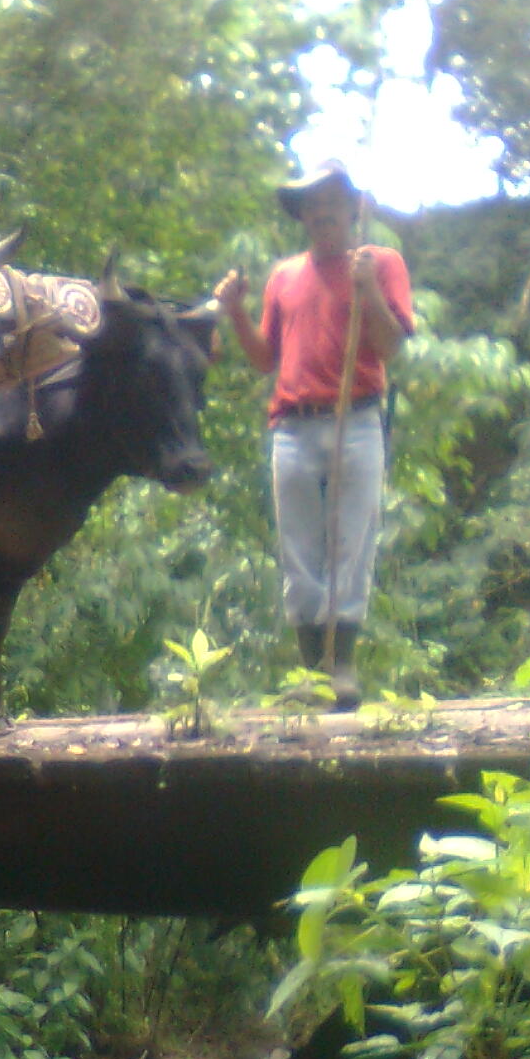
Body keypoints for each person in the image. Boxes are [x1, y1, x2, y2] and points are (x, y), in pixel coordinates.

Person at [213, 160, 414, 709]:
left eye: (331, 203)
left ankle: (341, 665)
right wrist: (233, 312)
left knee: (351, 542)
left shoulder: (382, 262)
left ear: (352, 209)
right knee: (299, 549)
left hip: (358, 419)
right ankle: (311, 672)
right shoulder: (284, 275)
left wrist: (367, 289)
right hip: (293, 427)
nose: (321, 214)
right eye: (311, 206)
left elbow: (392, 346)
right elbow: (263, 359)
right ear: (302, 216)